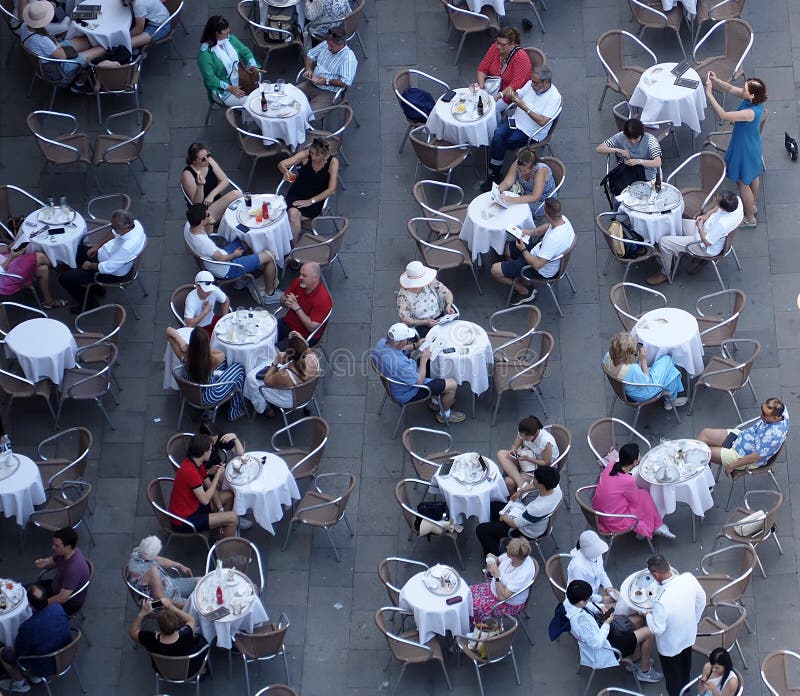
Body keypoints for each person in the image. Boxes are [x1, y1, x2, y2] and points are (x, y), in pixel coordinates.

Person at [563, 579, 662, 684]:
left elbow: (589, 606)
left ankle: (636, 659)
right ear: (582, 601)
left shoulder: (571, 601)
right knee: (649, 632)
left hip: (603, 631)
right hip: (608, 647)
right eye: (588, 599)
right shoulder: (581, 621)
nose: (589, 600)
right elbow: (597, 643)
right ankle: (645, 672)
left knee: (639, 620)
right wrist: (607, 623)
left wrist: (601, 608)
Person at [182, 204, 281, 305]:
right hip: (226, 268)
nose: (210, 215)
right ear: (201, 221)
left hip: (216, 258)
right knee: (270, 255)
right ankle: (269, 294)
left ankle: (241, 281)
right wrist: (235, 254)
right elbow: (221, 258)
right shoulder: (204, 244)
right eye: (208, 215)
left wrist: (209, 224)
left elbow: (207, 236)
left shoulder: (188, 226)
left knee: (246, 240)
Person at [705, 73, 767, 226]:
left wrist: (709, 93)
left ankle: (750, 217)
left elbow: (724, 115)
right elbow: (731, 88)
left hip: (743, 148)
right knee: (753, 176)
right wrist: (716, 79)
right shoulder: (755, 100)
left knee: (742, 183)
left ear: (752, 95)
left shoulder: (749, 112)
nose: (742, 89)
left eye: (745, 88)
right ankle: (752, 205)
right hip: (751, 144)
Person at [371, 322, 465, 424]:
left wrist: (415, 346)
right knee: (452, 385)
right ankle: (445, 415)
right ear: (401, 342)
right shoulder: (400, 364)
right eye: (407, 340)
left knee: (430, 363)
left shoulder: (381, 343)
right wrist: (424, 360)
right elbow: (419, 382)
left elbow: (399, 348)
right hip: (408, 392)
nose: (408, 341)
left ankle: (435, 401)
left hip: (397, 380)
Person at [484, 64, 561, 186]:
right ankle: (495, 170)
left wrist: (524, 107)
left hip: (530, 132)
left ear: (546, 82)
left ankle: (495, 173)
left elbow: (542, 121)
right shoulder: (531, 84)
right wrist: (512, 95)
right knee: (498, 135)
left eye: (535, 83)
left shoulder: (554, 97)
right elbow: (518, 94)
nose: (532, 85)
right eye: (532, 82)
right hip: (516, 120)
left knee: (501, 141)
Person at [647, 190, 744, 285]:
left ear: (724, 209)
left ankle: (665, 273)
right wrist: (705, 216)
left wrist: (700, 226)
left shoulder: (722, 224)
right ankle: (671, 253)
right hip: (706, 228)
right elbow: (716, 208)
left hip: (703, 245)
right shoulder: (737, 201)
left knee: (664, 242)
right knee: (675, 222)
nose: (715, 203)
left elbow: (707, 242)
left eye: (717, 202)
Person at [58, 209, 146, 313]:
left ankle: (89, 303)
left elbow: (108, 267)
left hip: (110, 273)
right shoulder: (135, 224)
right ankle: (96, 288)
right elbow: (113, 233)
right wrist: (97, 246)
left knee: (64, 279)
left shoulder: (127, 247)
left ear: (124, 227)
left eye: (114, 227)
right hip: (103, 255)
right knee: (75, 252)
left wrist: (90, 265)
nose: (112, 229)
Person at [490, 198, 575, 304]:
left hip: (540, 269)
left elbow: (537, 265)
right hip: (539, 252)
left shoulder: (553, 240)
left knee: (494, 270)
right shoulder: (563, 220)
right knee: (508, 248)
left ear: (546, 214)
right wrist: (531, 232)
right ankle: (521, 277)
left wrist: (523, 249)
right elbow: (548, 227)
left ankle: (524, 291)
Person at [643, 554, 706, 696]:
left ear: (655, 574)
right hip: (688, 636)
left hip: (670, 647)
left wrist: (647, 614)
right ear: (668, 564)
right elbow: (702, 600)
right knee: (686, 666)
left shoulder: (660, 602)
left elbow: (657, 629)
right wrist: (693, 620)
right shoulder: (689, 578)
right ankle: (686, 687)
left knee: (672, 678)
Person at [593, 442, 676, 540]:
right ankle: (651, 527)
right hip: (614, 520)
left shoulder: (611, 465)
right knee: (644, 497)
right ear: (635, 461)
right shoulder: (628, 480)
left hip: (600, 513)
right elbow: (634, 499)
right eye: (639, 456)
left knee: (642, 495)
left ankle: (657, 525)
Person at [20, 0, 106, 95]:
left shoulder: (25, 26)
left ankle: (90, 65)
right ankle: (78, 84)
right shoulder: (42, 39)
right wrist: (55, 42)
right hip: (58, 69)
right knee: (102, 49)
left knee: (87, 40)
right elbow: (62, 56)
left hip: (50, 54)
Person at [475, 465, 562, 556]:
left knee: (481, 530)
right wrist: (521, 491)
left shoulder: (537, 508)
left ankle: (493, 557)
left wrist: (504, 517)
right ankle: (495, 535)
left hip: (526, 531)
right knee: (493, 506)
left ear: (542, 485)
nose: (533, 480)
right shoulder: (555, 488)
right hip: (534, 521)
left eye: (535, 479)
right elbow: (534, 486)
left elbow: (514, 524)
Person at [165, 325, 247, 421]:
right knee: (239, 368)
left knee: (225, 367)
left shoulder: (186, 357)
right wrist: (205, 351)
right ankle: (235, 411)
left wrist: (182, 342)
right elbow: (223, 355)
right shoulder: (212, 360)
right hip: (209, 396)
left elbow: (168, 331)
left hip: (191, 391)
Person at [0, 584, 72, 693]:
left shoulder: (28, 627)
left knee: (3, 652)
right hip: (66, 655)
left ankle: (19, 682)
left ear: (29, 604)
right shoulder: (58, 608)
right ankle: (35, 677)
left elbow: (19, 653)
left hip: (44, 666)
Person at [168, 433, 239, 538]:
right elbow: (205, 500)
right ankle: (224, 552)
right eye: (210, 450)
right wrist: (217, 476)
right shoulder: (190, 472)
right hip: (184, 519)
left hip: (194, 506)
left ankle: (220, 533)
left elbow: (211, 488)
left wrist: (221, 510)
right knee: (233, 518)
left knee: (229, 495)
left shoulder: (197, 463)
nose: (211, 451)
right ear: (203, 453)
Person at [697, 397, 789, 476]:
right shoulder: (782, 411)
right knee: (704, 434)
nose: (761, 415)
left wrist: (731, 466)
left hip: (742, 455)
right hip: (741, 437)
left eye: (765, 414)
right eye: (762, 409)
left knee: (704, 452)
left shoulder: (772, 436)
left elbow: (754, 457)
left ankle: (707, 485)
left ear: (776, 417)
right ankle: (700, 474)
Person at [603, 332, 687, 411]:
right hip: (643, 393)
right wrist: (643, 360)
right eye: (633, 351)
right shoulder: (632, 369)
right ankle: (670, 402)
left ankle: (671, 397)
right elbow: (647, 381)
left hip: (623, 389)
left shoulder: (607, 356)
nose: (635, 351)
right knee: (667, 360)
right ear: (627, 354)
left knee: (671, 372)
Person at [277, 138, 339, 244]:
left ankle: (291, 246)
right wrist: (286, 172)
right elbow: (281, 164)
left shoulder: (333, 162)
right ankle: (293, 246)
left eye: (316, 155)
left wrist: (310, 201)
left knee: (290, 216)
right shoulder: (306, 155)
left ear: (325, 155)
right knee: (292, 215)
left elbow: (332, 190)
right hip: (297, 193)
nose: (313, 157)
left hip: (316, 198)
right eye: (312, 153)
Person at [245, 331, 320, 416]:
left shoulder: (286, 374)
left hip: (290, 400)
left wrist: (275, 363)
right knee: (265, 363)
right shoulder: (313, 357)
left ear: (289, 353)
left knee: (251, 378)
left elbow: (267, 381)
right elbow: (307, 350)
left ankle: (264, 409)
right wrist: (300, 339)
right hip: (308, 393)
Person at [128, 598, 207, 676]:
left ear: (159, 627)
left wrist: (142, 613)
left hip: (162, 671)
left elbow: (132, 632)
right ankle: (202, 670)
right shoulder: (187, 634)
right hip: (190, 670)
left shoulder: (150, 639)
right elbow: (191, 620)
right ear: (177, 625)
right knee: (201, 642)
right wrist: (171, 607)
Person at [198, 15, 260, 107]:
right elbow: (210, 79)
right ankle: (248, 118)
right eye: (225, 29)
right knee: (253, 102)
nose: (229, 30)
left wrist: (253, 66)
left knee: (260, 93)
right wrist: (231, 88)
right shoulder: (205, 55)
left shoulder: (230, 39)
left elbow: (245, 52)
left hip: (240, 78)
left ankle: (247, 118)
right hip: (224, 89)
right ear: (216, 33)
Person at [470, 538, 536, 622]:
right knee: (467, 592)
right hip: (493, 588)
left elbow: (502, 597)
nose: (507, 547)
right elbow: (499, 560)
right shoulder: (516, 555)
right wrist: (493, 558)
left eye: (508, 549)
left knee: (471, 606)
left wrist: (497, 576)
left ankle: (475, 627)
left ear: (514, 557)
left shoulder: (523, 574)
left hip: (507, 603)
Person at [126, 536, 197, 608]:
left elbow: (159, 560)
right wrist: (178, 606)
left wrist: (179, 565)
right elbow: (160, 600)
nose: (157, 556)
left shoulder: (138, 552)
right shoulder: (152, 571)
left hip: (169, 584)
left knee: (200, 581)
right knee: (196, 605)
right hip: (162, 600)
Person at [32, 527, 91, 614]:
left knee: (30, 611)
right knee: (24, 592)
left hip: (67, 603)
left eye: (56, 546)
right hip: (55, 587)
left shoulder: (73, 569)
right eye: (53, 544)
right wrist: (45, 562)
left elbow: (62, 598)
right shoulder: (66, 552)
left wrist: (41, 604)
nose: (53, 547)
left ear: (68, 547)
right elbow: (52, 561)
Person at [475, 27, 531, 118]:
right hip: (493, 87)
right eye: (497, 42)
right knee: (476, 101)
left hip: (510, 93)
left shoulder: (520, 58)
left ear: (512, 44)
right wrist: (481, 87)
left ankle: (495, 128)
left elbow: (516, 83)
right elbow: (483, 68)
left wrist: (499, 95)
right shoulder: (495, 47)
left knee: (492, 109)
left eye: (502, 44)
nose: (498, 46)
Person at [298, 25, 357, 110]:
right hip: (311, 84)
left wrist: (326, 81)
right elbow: (310, 54)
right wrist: (308, 69)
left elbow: (346, 83)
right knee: (289, 96)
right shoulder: (326, 44)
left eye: (332, 46)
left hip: (328, 93)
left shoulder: (348, 58)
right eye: (328, 44)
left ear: (341, 44)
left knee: (307, 115)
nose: (328, 48)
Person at [496, 415, 559, 493]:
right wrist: (513, 450)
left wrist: (528, 459)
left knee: (509, 482)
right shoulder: (523, 432)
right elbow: (515, 445)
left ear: (531, 435)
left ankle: (516, 500)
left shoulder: (545, 442)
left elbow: (546, 462)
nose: (522, 438)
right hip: (527, 457)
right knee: (501, 453)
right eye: (520, 436)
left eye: (524, 438)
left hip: (541, 467)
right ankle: (521, 483)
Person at [181, 142, 242, 223]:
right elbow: (197, 204)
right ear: (194, 161)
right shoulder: (187, 175)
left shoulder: (209, 161)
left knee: (237, 194)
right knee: (237, 213)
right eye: (203, 159)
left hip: (217, 202)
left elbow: (225, 181)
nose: (207, 160)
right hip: (204, 212)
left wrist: (211, 195)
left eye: (208, 155)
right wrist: (200, 186)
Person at [277, 261, 332, 345]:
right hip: (287, 322)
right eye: (300, 274)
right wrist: (285, 300)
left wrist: (297, 308)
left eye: (304, 275)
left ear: (315, 278)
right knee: (262, 335)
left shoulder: (323, 299)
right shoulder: (298, 283)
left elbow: (311, 328)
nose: (300, 277)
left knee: (274, 353)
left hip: (303, 336)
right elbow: (282, 301)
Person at [395, 261, 456, 336]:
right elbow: (405, 319)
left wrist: (448, 305)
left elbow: (446, 292)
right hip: (421, 324)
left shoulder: (430, 281)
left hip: (440, 316)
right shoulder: (403, 296)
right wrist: (425, 322)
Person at [494, 146, 556, 218]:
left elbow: (535, 197)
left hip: (543, 202)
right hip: (525, 194)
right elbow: (508, 181)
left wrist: (512, 200)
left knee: (512, 209)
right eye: (520, 170)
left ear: (533, 167)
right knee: (504, 206)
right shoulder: (517, 163)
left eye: (524, 171)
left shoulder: (540, 171)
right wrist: (498, 191)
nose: (521, 173)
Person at [595, 117, 663, 182]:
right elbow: (599, 148)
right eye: (629, 139)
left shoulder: (650, 140)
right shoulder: (620, 136)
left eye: (636, 138)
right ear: (625, 134)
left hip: (647, 172)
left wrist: (638, 161)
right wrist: (618, 150)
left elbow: (658, 162)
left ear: (642, 134)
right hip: (627, 171)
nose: (633, 142)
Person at [0, 243, 64, 308]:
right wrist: (10, 258)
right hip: (5, 276)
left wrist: (8, 247)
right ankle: (62, 269)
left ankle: (48, 301)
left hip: (9, 261)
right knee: (40, 256)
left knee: (43, 269)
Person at [566, 530, 616, 605]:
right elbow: (581, 594)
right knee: (616, 610)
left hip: (595, 591)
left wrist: (608, 587)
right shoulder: (578, 567)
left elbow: (601, 572)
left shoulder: (596, 554)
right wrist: (602, 599)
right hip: (582, 601)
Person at [183, 271, 230, 335]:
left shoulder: (214, 290)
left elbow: (226, 300)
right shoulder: (191, 299)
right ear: (197, 286)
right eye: (205, 290)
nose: (209, 293)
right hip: (198, 329)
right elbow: (189, 325)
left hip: (212, 319)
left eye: (210, 290)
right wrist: (205, 311)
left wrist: (224, 320)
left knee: (230, 332)